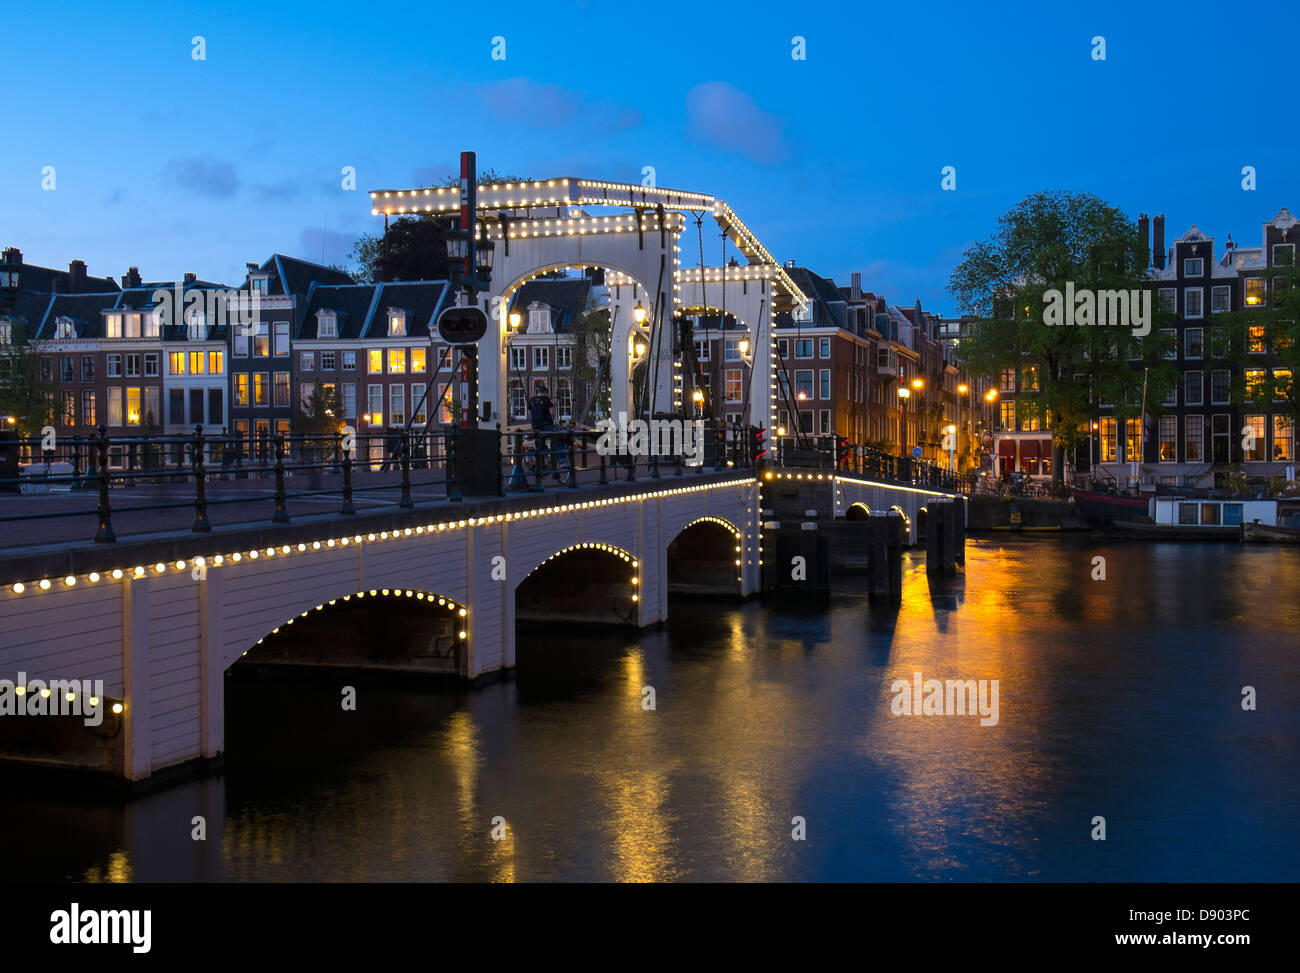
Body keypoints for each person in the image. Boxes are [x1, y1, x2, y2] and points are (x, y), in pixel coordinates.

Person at [528, 384, 558, 478]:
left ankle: (542, 465)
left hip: (536, 428)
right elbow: (552, 413)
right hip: (546, 426)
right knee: (560, 435)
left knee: (540, 444)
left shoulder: (532, 401)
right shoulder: (547, 400)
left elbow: (530, 415)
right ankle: (562, 460)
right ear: (546, 392)